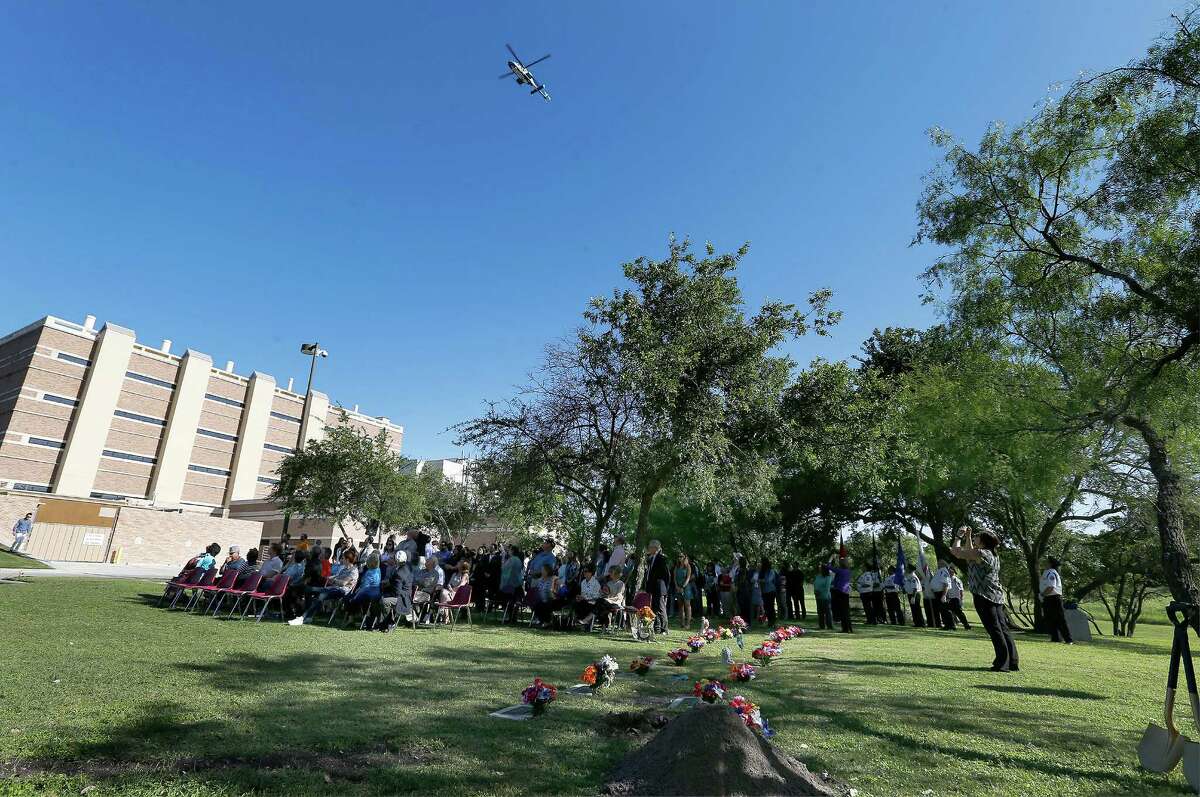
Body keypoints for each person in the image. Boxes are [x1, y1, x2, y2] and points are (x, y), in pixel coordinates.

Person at [951, 526, 1019, 672]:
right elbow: (969, 554)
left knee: (994, 629)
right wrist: (968, 537)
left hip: (984, 596)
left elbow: (956, 552)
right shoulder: (991, 554)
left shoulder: (981, 553)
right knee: (1002, 628)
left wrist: (958, 536)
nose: (974, 537)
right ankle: (1012, 661)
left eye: (976, 536)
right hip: (995, 596)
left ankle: (1002, 663)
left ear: (983, 541)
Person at [293, 548, 359, 625]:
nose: (341, 560)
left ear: (347, 560)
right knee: (317, 594)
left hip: (342, 591)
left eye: (343, 558)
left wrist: (334, 580)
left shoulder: (353, 571)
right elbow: (336, 577)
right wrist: (330, 578)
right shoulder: (344, 569)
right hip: (333, 588)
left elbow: (343, 583)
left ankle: (304, 617)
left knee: (318, 593)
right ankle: (306, 617)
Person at [375, 550, 413, 631]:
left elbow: (397, 592)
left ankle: (390, 623)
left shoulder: (399, 572)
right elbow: (393, 582)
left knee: (385, 601)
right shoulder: (405, 568)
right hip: (403, 595)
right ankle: (381, 624)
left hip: (403, 598)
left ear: (396, 560)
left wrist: (387, 589)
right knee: (380, 598)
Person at [1040, 556, 1073, 644]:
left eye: (1046, 561)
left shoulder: (1051, 573)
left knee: (1060, 619)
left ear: (1050, 564)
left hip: (1054, 598)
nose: (1044, 563)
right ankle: (1055, 638)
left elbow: (1051, 587)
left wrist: (1042, 594)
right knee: (1050, 618)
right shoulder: (1046, 572)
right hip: (1048, 598)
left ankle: (1068, 639)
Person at [644, 540, 670, 634]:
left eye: (650, 547)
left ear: (655, 548)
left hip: (659, 587)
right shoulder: (651, 558)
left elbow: (666, 575)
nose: (649, 549)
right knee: (654, 608)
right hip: (653, 587)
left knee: (660, 608)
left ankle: (664, 628)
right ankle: (657, 627)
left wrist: (664, 587)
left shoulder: (661, 559)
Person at [413, 555, 445, 624]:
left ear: (432, 563)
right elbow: (414, 580)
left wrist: (420, 582)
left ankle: (416, 618)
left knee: (410, 599)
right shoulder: (421, 571)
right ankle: (414, 618)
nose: (425, 562)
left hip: (426, 594)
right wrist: (421, 581)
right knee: (408, 598)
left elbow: (426, 584)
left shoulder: (435, 573)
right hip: (417, 592)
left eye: (427, 561)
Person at [499, 545, 526, 623]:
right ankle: (513, 617)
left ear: (513, 551)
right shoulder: (518, 560)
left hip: (511, 584)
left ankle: (511, 617)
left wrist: (503, 557)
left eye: (510, 550)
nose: (509, 551)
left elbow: (503, 568)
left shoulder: (512, 559)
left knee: (506, 599)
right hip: (516, 584)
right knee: (510, 600)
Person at [831, 557, 853, 633]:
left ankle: (846, 628)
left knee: (843, 611)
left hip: (840, 592)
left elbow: (831, 568)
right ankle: (847, 628)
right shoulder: (848, 571)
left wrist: (829, 562)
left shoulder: (841, 571)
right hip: (845, 592)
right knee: (845, 611)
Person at [930, 559, 953, 630]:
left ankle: (951, 625)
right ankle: (947, 625)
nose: (938, 564)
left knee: (945, 610)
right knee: (942, 610)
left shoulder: (943, 571)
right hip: (938, 592)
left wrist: (944, 595)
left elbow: (945, 584)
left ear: (943, 564)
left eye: (939, 563)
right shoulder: (939, 571)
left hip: (942, 592)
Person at [674, 554, 694, 629]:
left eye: (681, 556)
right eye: (679, 556)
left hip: (686, 587)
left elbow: (688, 578)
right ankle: (682, 623)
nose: (680, 558)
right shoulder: (677, 567)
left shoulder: (688, 566)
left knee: (687, 605)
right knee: (680, 605)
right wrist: (677, 586)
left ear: (685, 557)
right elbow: (674, 578)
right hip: (678, 587)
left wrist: (683, 587)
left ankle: (688, 623)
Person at [759, 558, 779, 626]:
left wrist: (761, 580)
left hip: (771, 591)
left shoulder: (771, 571)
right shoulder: (762, 572)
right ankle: (769, 620)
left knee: (770, 606)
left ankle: (772, 621)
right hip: (764, 591)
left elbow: (768, 580)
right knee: (766, 606)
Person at [813, 564, 834, 630]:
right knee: (820, 612)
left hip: (826, 597)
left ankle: (829, 626)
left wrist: (820, 592)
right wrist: (816, 592)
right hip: (818, 597)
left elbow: (827, 588)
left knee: (827, 612)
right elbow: (815, 585)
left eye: (820, 568)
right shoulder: (818, 576)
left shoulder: (828, 577)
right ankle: (821, 626)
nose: (819, 569)